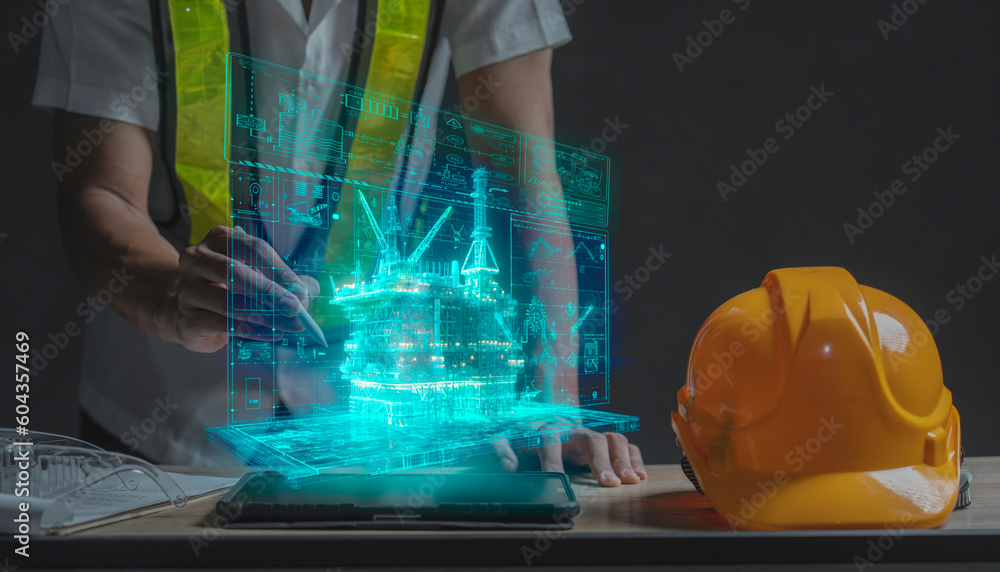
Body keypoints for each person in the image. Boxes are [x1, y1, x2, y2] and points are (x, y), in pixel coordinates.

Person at [34, 0, 645, 486]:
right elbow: (100, 192)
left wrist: (550, 405)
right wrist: (171, 295)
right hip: (157, 418)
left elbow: (524, 175)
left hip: (383, 419)